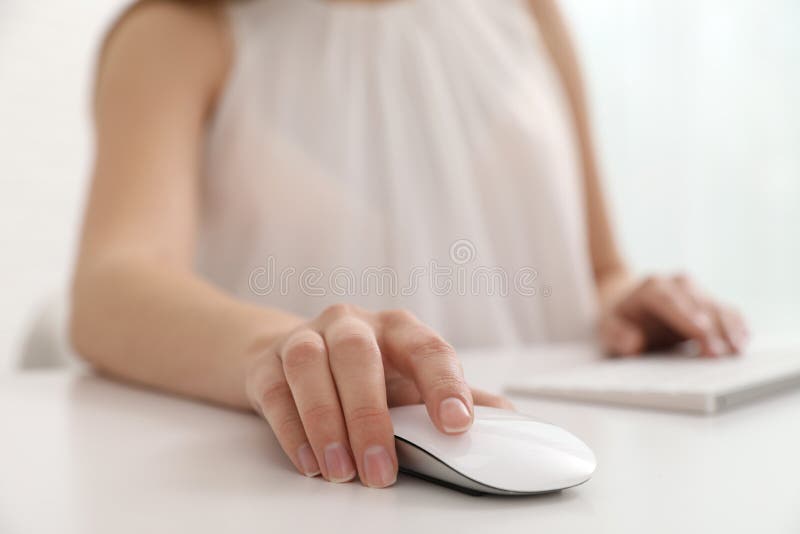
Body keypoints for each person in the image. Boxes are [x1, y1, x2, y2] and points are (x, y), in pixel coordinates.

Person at [70, 0, 748, 489]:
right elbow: (112, 286)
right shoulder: (179, 31)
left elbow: (601, 268)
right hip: (322, 487)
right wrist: (284, 350)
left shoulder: (530, 13)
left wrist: (629, 301)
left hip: (580, 460)